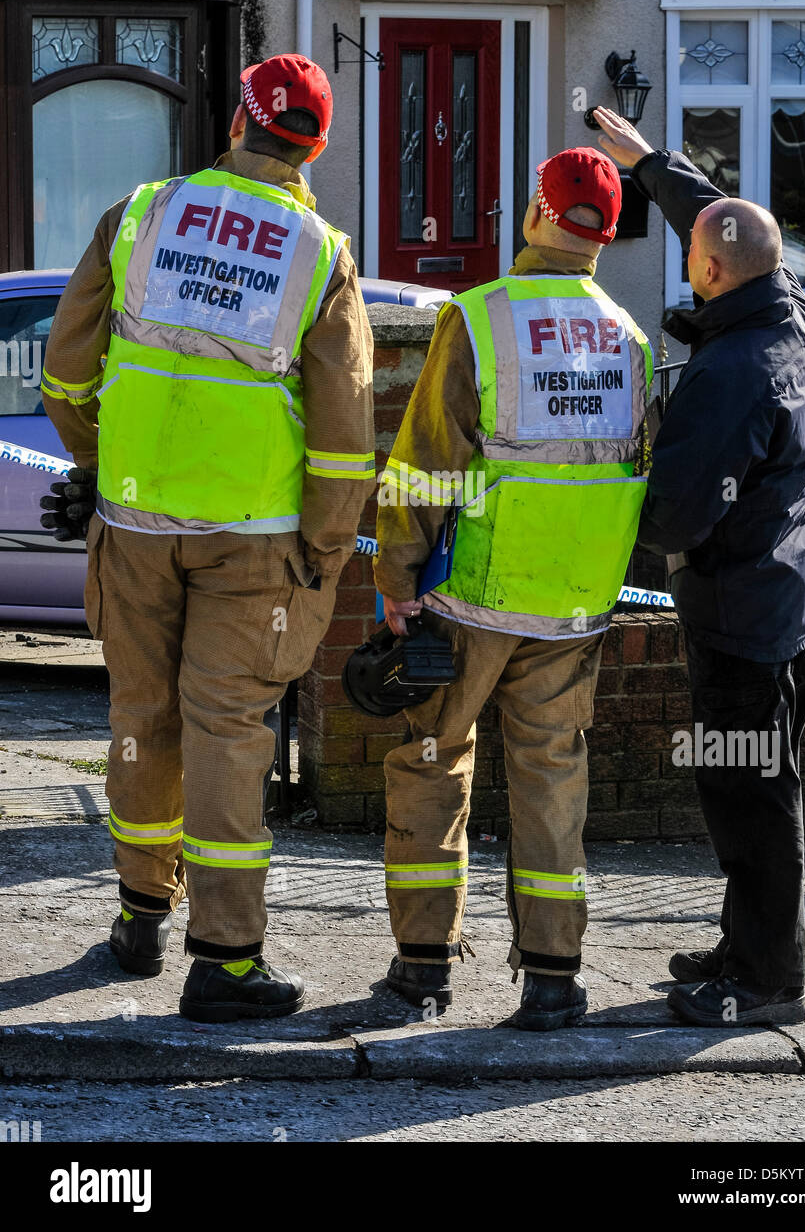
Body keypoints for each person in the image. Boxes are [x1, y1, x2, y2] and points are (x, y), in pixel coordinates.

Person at [40, 54, 375, 1022]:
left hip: (135, 527)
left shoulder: (140, 211)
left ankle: (141, 915)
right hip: (256, 539)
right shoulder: (318, 249)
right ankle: (224, 960)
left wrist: (104, 463)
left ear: (238, 118)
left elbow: (67, 370)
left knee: (143, 719)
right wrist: (324, 544)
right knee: (229, 733)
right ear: (314, 144)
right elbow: (344, 431)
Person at [373, 147, 653, 1029]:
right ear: (605, 236)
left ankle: (422, 971)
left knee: (429, 765)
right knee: (552, 779)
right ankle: (554, 978)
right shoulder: (632, 340)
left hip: (472, 599)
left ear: (536, 213)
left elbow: (426, 462)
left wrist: (396, 576)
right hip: (574, 605)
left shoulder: (481, 319)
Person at [593, 105, 805, 1028]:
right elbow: (725, 217)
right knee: (752, 787)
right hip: (786, 608)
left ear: (708, 272)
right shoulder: (792, 309)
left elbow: (674, 513)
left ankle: (767, 983)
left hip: (741, 624)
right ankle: (749, 945)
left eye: (695, 253)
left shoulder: (731, 376)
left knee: (748, 798)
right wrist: (653, 164)